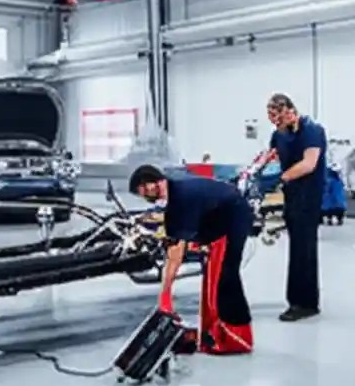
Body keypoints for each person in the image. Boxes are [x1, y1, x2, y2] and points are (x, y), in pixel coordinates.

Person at [130, 164, 254, 354]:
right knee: (212, 281)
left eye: (147, 189)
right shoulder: (173, 201)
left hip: (232, 220)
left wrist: (165, 296)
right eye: (143, 194)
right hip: (218, 225)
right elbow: (172, 249)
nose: (147, 195)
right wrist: (165, 295)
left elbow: (176, 254)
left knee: (225, 277)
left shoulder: (181, 200)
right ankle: (213, 334)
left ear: (157, 182)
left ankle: (236, 340)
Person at [262, 93, 326, 322]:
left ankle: (306, 303)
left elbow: (309, 164)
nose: (275, 123)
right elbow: (270, 156)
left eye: (278, 118)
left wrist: (282, 178)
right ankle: (296, 299)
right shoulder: (279, 134)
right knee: (295, 247)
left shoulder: (311, 130)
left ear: (290, 111)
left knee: (304, 248)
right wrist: (255, 171)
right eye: (271, 118)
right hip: (291, 195)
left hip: (309, 196)